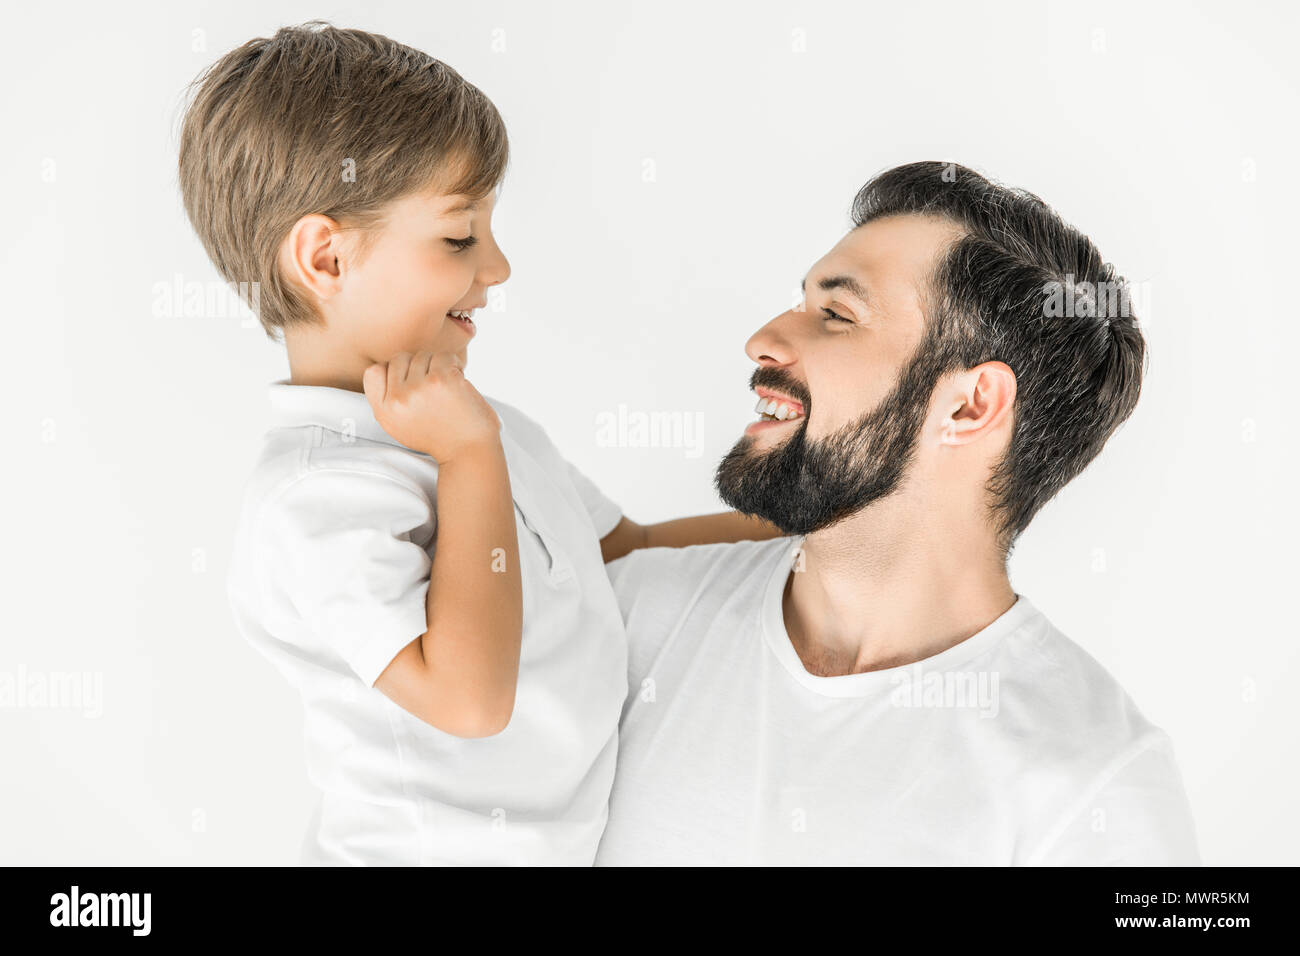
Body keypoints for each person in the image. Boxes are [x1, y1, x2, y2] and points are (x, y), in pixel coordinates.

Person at [179, 23, 774, 865]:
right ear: (326, 258)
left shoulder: (485, 426)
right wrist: (466, 460)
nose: (496, 268)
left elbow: (627, 551)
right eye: (459, 236)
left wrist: (812, 526)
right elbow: (467, 701)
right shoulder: (316, 499)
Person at [596, 162, 1200, 866]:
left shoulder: (1093, 789)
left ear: (970, 406)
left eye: (837, 315)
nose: (763, 339)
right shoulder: (634, 616)